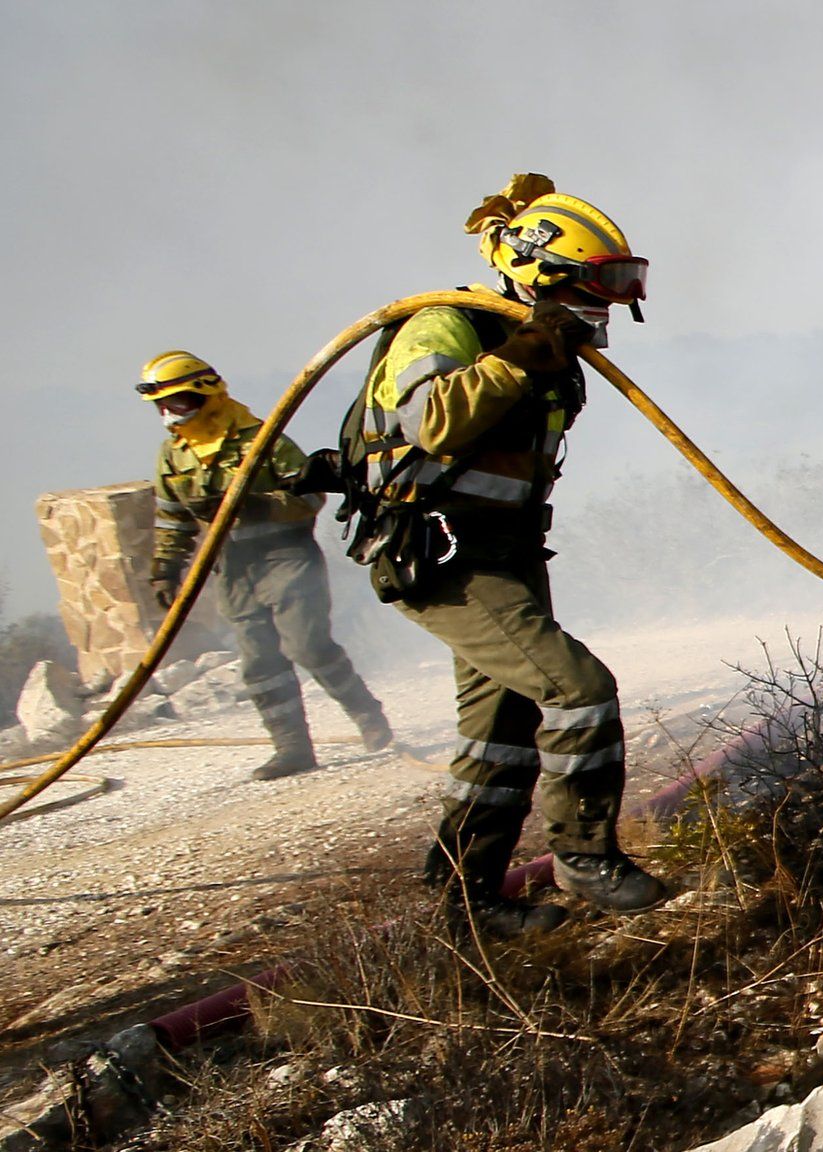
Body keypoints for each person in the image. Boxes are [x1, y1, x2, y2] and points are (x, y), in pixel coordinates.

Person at [336, 174, 663, 935]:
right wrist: (520, 354)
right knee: (577, 690)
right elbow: (433, 419)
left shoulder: (544, 345)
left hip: (508, 556)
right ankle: (584, 857)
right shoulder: (448, 326)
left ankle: (467, 903)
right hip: (444, 556)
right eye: (598, 285)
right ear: (542, 273)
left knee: (500, 735)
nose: (609, 303)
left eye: (621, 287)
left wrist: (538, 352)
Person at [141, 351, 392, 780]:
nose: (170, 416)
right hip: (234, 572)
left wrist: (255, 505)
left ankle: (369, 718)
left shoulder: (262, 440)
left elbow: (311, 498)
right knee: (260, 662)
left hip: (286, 559)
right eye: (162, 408)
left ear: (207, 396)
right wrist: (166, 567)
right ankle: (291, 748)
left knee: (307, 646)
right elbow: (173, 520)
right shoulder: (174, 456)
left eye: (178, 404)